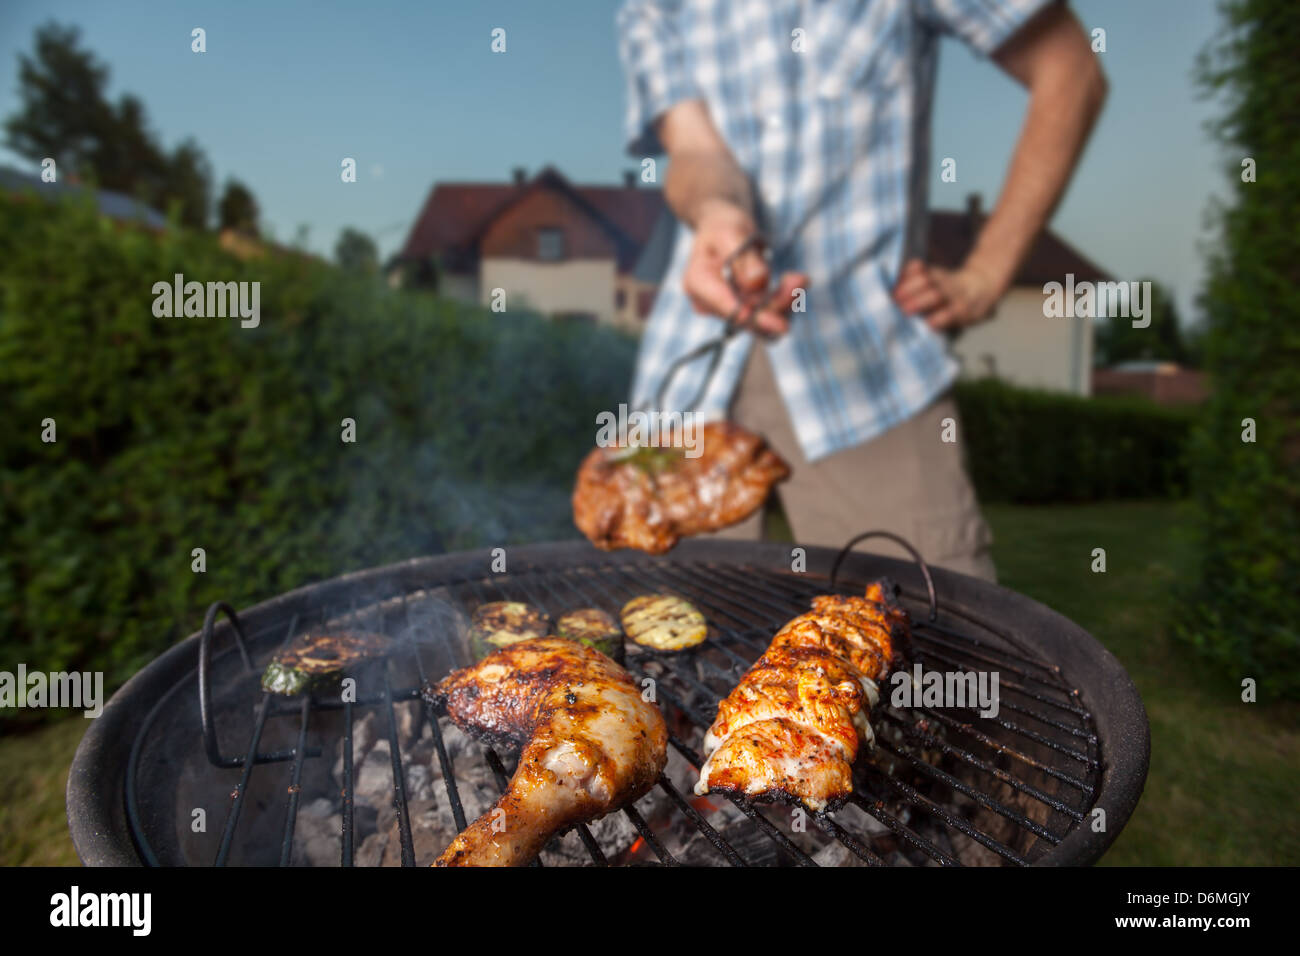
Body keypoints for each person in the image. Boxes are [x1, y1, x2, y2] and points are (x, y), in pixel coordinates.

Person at [616, 0, 1107, 580]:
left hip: (870, 374)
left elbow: (1070, 68)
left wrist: (986, 274)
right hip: (689, 372)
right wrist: (719, 213)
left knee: (937, 647)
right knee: (661, 646)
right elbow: (696, 151)